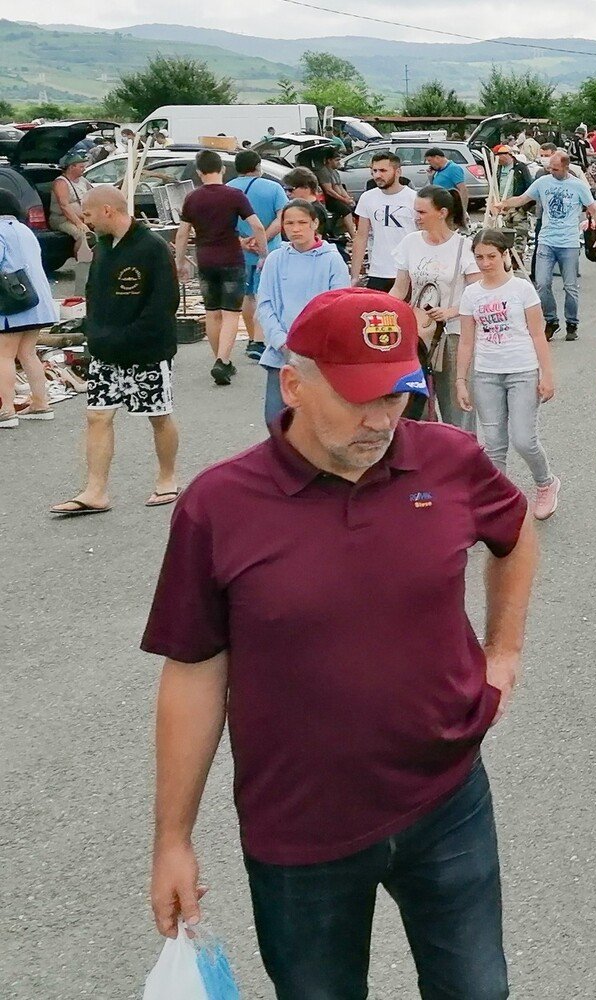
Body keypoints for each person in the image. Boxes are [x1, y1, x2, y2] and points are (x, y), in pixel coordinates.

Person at [142, 286, 538, 1000]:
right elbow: (194, 673)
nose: (381, 419)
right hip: (300, 831)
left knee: (479, 990)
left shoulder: (449, 460)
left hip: (448, 799)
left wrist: (503, 651)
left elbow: (514, 534)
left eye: (396, 395)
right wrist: (173, 838)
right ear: (293, 384)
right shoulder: (219, 505)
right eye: (358, 397)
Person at [51, 188, 181, 514]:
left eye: (89, 216)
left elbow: (165, 303)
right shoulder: (103, 248)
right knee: (97, 416)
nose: (86, 222)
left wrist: (128, 337)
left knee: (158, 416)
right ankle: (95, 490)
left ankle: (167, 478)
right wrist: (92, 333)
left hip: (147, 351)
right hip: (105, 352)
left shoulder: (152, 247)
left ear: (107, 211)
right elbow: (94, 296)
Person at [458, 229, 560, 520]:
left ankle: (546, 483)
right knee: (493, 444)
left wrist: (547, 375)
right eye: (479, 257)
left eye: (491, 256)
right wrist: (461, 381)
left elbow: (538, 334)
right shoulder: (471, 294)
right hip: (487, 373)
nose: (485, 263)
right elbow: (466, 340)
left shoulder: (521, 290)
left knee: (524, 439)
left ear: (504, 255)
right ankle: (498, 503)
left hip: (522, 371)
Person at [176, 149, 267, 387]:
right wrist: (263, 252)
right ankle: (222, 360)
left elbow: (183, 232)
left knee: (212, 312)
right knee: (230, 314)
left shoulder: (192, 198)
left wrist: (180, 261)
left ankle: (220, 360)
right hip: (231, 259)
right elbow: (256, 226)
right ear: (223, 170)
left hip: (205, 259)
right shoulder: (234, 195)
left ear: (198, 172)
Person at [494, 150, 596, 342]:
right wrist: (502, 204)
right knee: (542, 284)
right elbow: (522, 199)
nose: (552, 172)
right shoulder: (543, 182)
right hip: (546, 240)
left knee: (570, 286)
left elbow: (594, 210)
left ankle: (572, 322)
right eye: (550, 168)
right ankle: (551, 320)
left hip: (569, 243)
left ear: (566, 167)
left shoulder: (578, 186)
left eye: (555, 169)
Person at [392, 186, 480, 429]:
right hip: (418, 333)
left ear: (442, 213)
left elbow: (477, 294)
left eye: (421, 211)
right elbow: (400, 289)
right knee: (418, 406)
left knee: (457, 405)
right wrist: (386, 311)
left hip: (453, 334)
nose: (416, 217)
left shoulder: (464, 246)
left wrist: (450, 312)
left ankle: (464, 456)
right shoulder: (410, 242)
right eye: (415, 211)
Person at [255, 200, 349, 422]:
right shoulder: (276, 259)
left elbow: (339, 306)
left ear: (315, 223)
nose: (295, 229)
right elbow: (265, 304)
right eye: (289, 223)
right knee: (276, 420)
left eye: (302, 222)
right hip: (281, 353)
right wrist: (281, 342)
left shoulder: (332, 260)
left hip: (319, 354)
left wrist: (311, 344)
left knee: (316, 420)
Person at [0, 190, 59, 428]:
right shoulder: (25, 230)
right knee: (28, 353)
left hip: (13, 302)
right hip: (37, 302)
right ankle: (40, 403)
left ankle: (6, 409)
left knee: (4, 355)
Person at [229, 149, 289, 364]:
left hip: (240, 251)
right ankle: (261, 339)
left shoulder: (228, 189)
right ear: (258, 166)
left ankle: (252, 338)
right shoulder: (274, 188)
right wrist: (262, 238)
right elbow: (281, 218)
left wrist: (245, 241)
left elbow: (225, 225)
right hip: (270, 250)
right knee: (267, 295)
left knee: (248, 296)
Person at [351, 150, 417, 293]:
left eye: (383, 170)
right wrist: (354, 276)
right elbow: (361, 236)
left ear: (398, 171)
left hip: (408, 272)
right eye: (374, 171)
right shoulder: (367, 198)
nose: (377, 175)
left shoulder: (414, 199)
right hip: (378, 271)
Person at [51, 154, 92, 295]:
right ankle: (81, 264)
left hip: (82, 218)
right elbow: (64, 206)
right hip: (62, 219)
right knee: (82, 235)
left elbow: (93, 194)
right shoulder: (61, 182)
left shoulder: (83, 181)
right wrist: (79, 223)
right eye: (81, 166)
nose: (83, 169)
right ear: (71, 167)